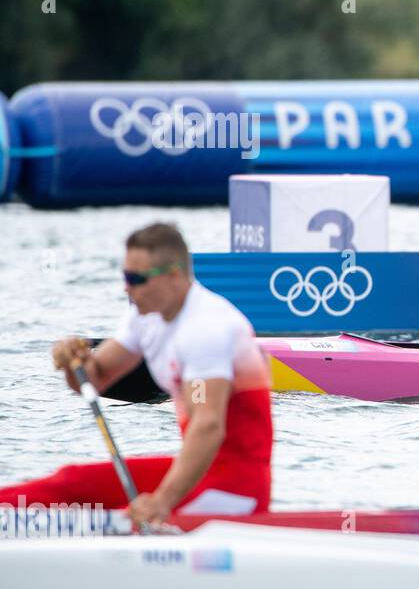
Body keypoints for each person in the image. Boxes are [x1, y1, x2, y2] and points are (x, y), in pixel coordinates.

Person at [0, 223, 273, 524]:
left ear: (173, 276)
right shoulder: (145, 317)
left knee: (123, 518)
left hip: (235, 487)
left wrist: (161, 502)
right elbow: (93, 380)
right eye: (125, 277)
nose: (126, 288)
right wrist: (72, 360)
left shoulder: (205, 328)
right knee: (72, 481)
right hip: (197, 470)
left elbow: (207, 425)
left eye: (136, 279)